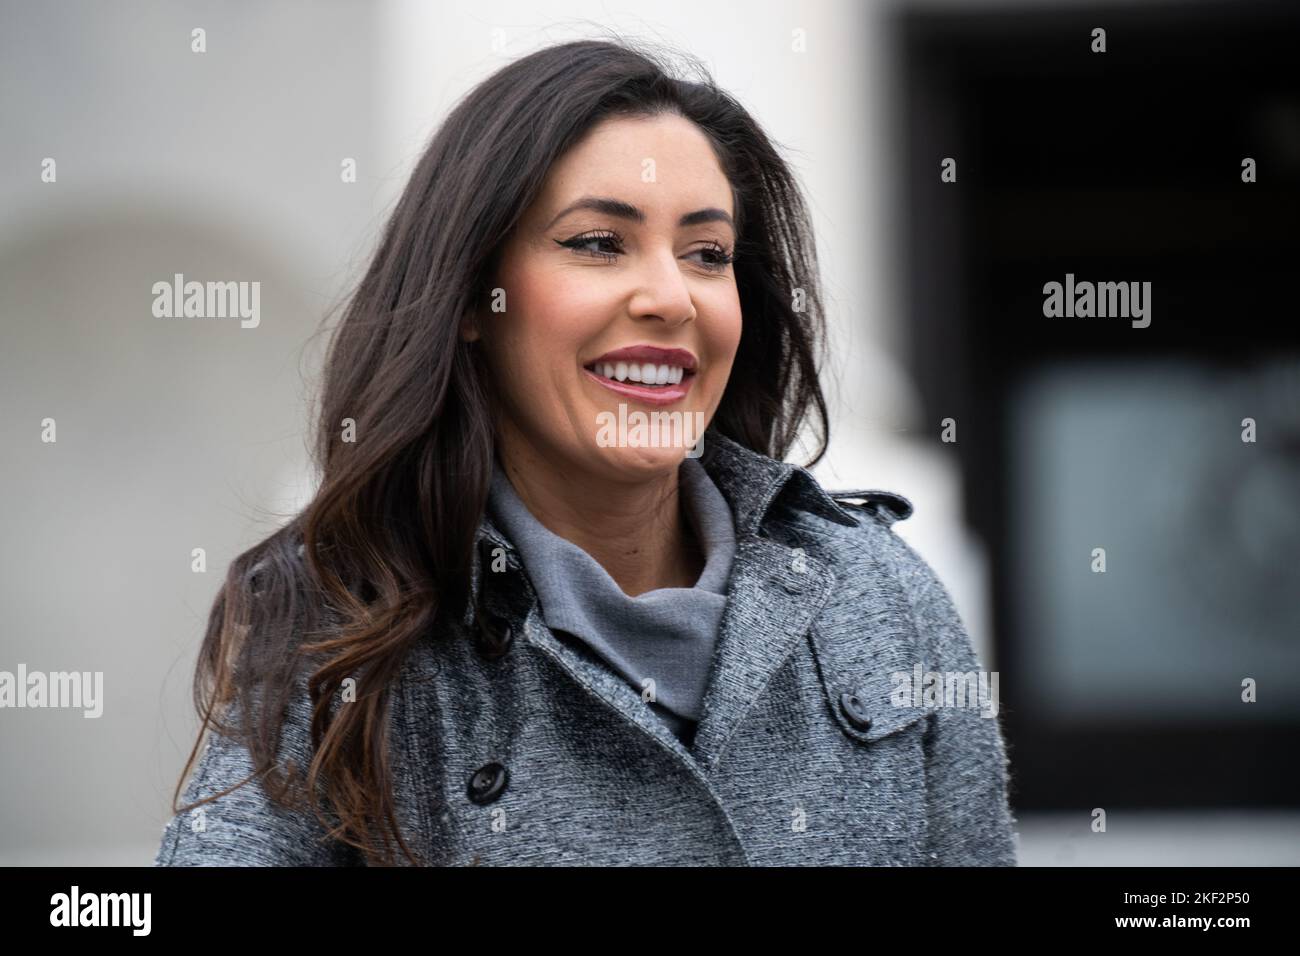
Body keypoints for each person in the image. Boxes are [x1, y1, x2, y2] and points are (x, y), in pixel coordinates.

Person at [155, 36, 1017, 867]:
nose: (670, 296)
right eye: (598, 243)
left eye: (707, 254)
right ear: (469, 296)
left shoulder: (883, 596)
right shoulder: (333, 624)